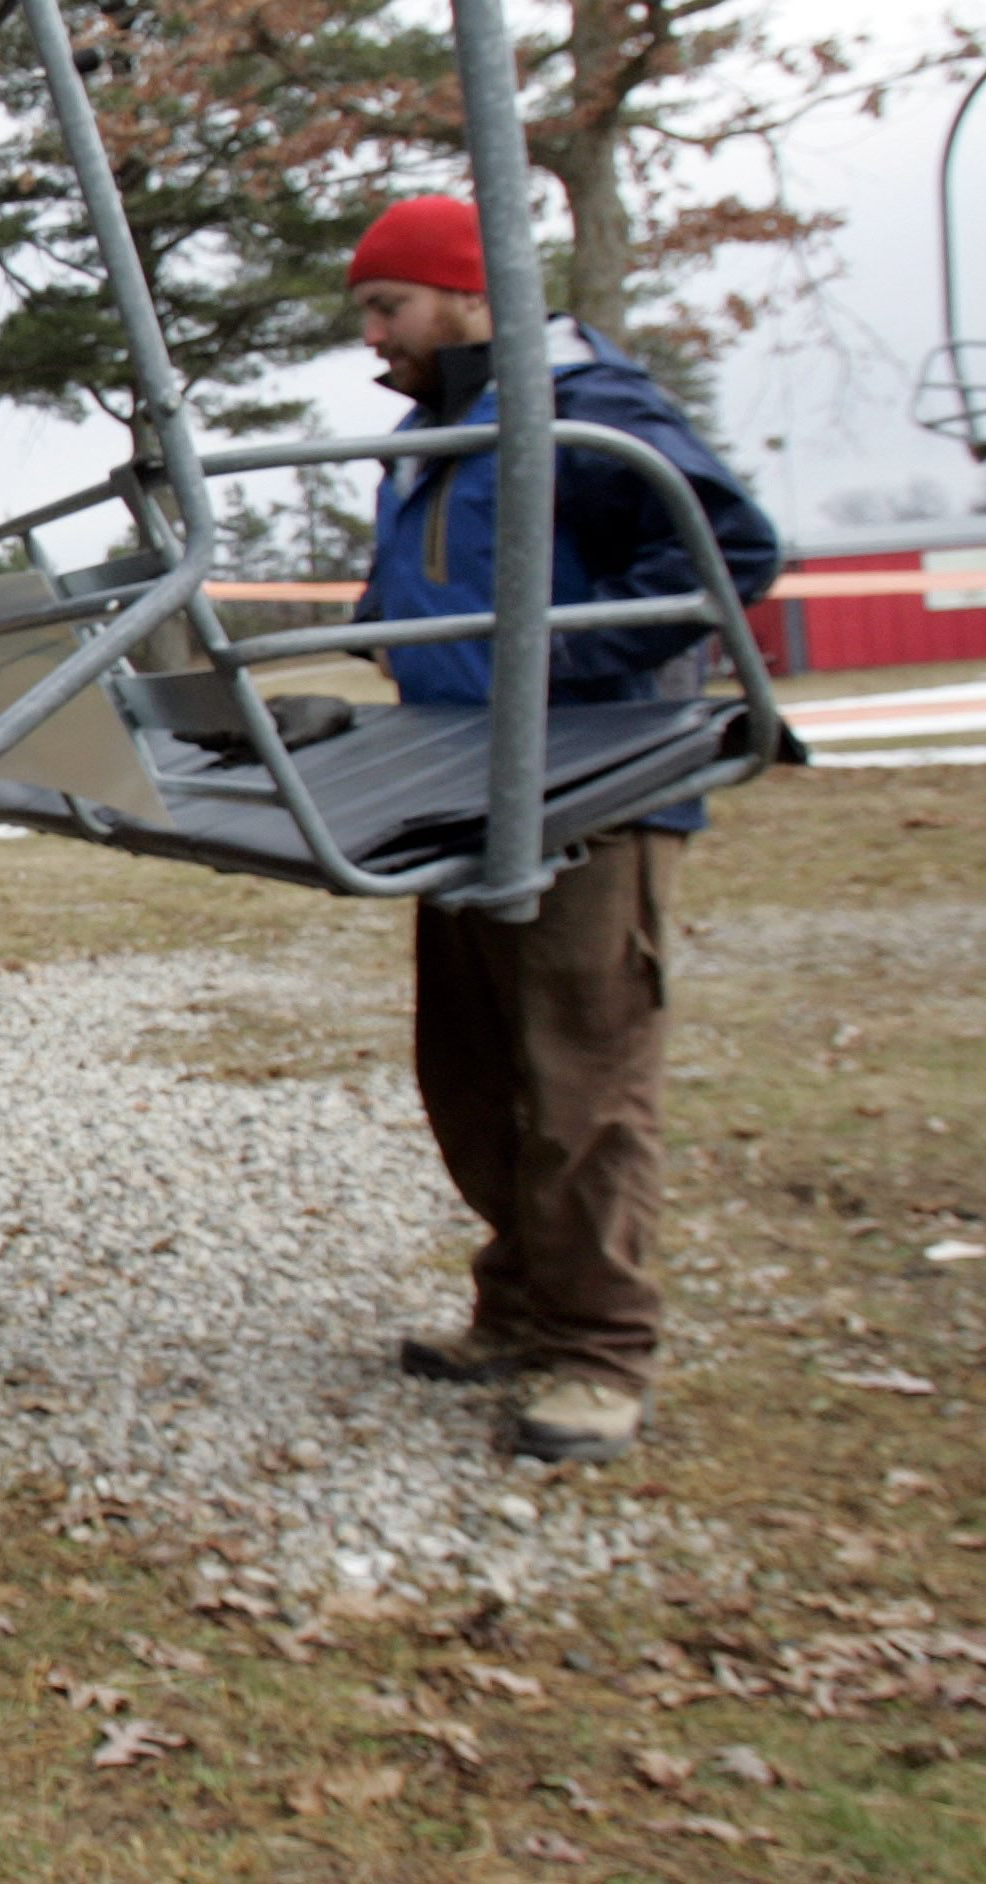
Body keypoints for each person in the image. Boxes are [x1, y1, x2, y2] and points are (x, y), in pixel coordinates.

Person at [344, 195, 782, 1464]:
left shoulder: (586, 408)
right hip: (458, 782)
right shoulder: (434, 428)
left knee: (580, 1075)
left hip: (588, 790)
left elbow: (725, 550)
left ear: (471, 295)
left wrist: (561, 674)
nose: (374, 337)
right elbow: (437, 575)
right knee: (473, 1070)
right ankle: (523, 1303)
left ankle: (602, 1348)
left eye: (389, 306)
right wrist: (383, 620)